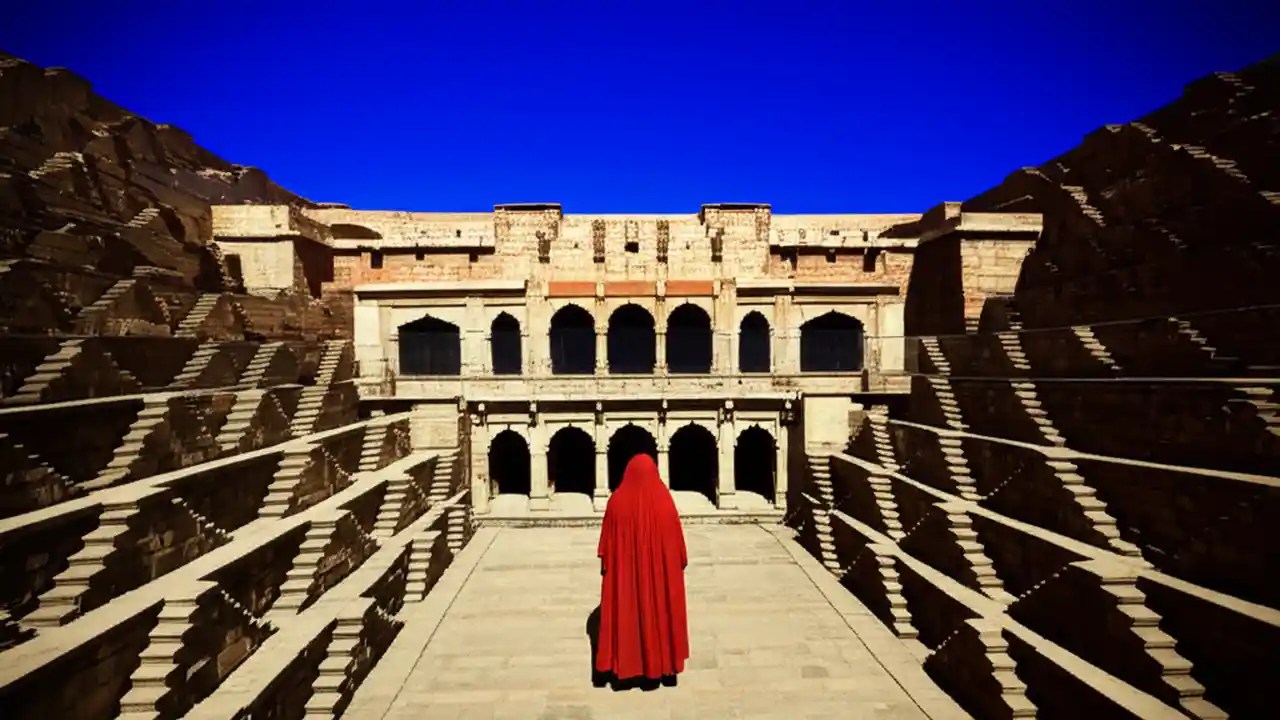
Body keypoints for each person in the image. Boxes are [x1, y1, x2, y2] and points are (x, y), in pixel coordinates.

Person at [594, 453, 690, 688]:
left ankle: (627, 666)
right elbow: (678, 550)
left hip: (627, 582)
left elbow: (606, 549)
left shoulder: (616, 502)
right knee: (661, 610)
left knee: (629, 611)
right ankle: (664, 666)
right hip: (659, 579)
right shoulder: (664, 500)